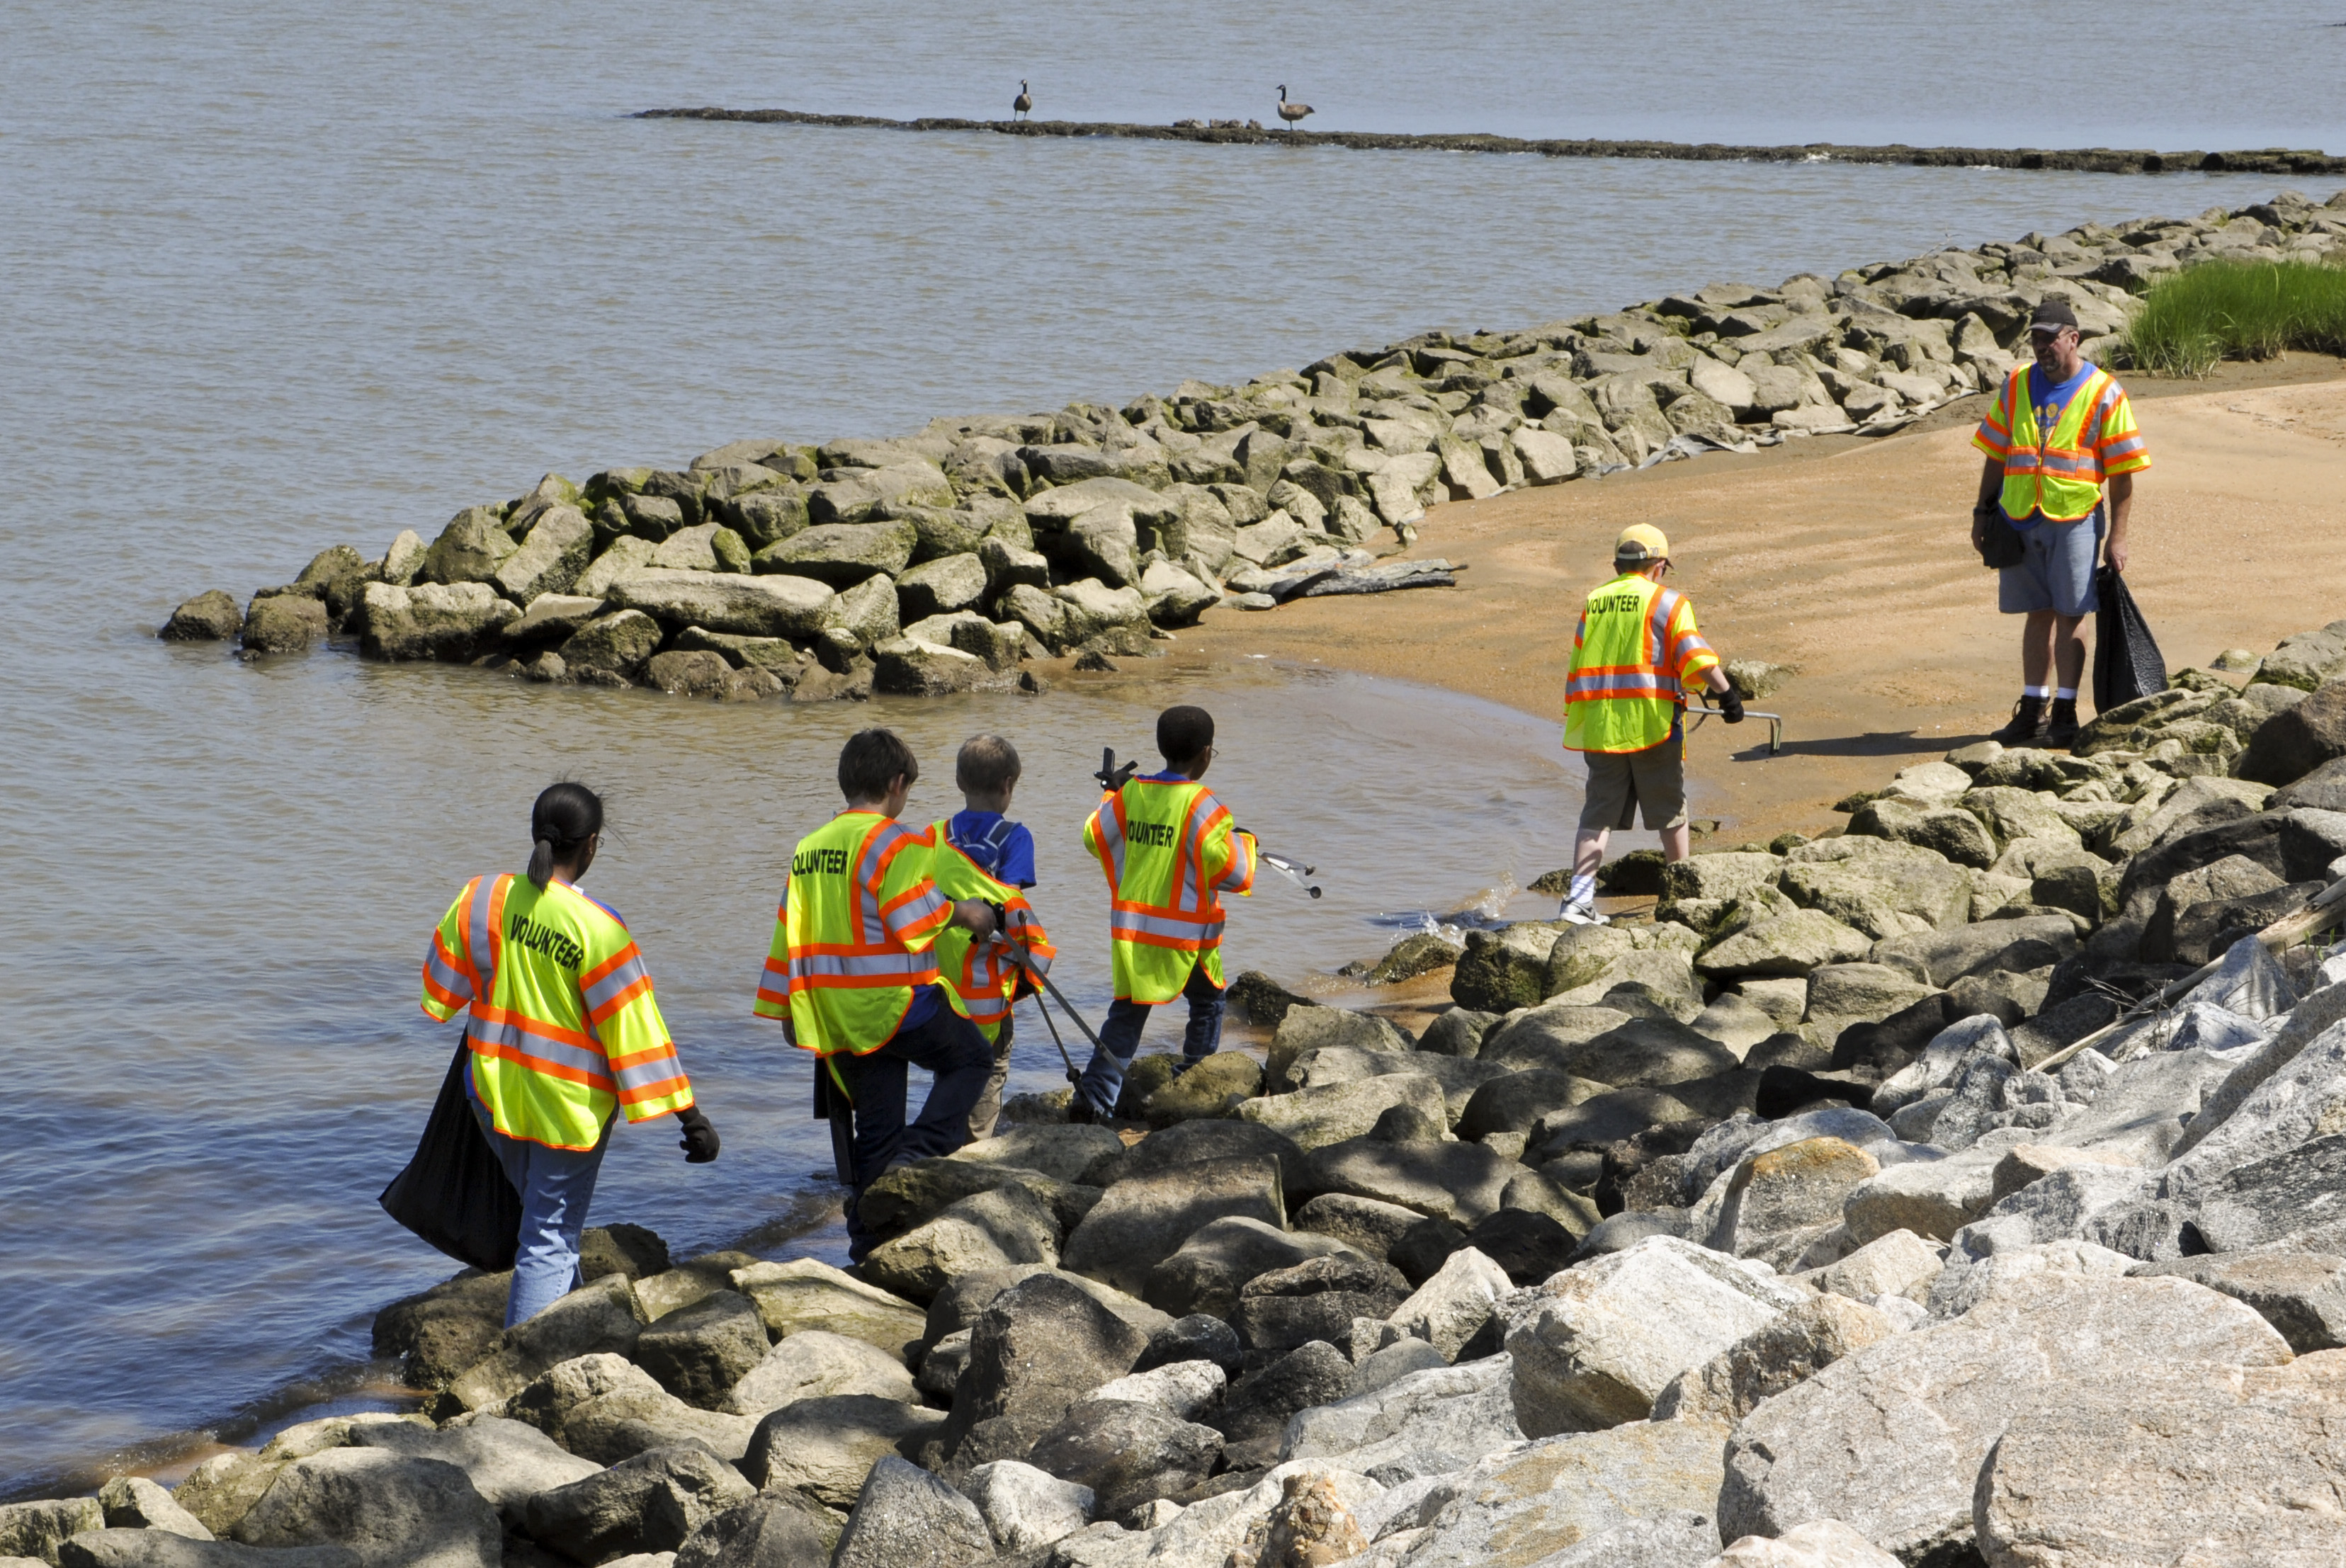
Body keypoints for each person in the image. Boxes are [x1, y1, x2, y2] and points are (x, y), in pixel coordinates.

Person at [421, 783, 718, 1328]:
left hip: (491, 1096)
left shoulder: (481, 897)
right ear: (592, 846)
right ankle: (525, 1370)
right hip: (565, 1110)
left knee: (545, 1225)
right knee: (549, 1237)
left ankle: (574, 1336)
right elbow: (637, 1033)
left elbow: (440, 990)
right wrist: (690, 1116)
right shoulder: (600, 930)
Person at [754, 728, 998, 1261]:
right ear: (896, 783)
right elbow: (915, 919)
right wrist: (968, 912)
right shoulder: (896, 841)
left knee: (875, 1131)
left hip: (834, 1014)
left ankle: (866, 1244)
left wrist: (783, 1008)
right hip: (893, 1003)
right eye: (906, 789)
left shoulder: (809, 848)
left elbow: (786, 931)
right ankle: (917, 1155)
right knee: (972, 1059)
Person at [1971, 297, 2150, 749]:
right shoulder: (2016, 385)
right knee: (2038, 615)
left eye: (2050, 338)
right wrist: (1981, 511)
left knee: (2072, 615)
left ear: (2074, 339)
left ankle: (2066, 715)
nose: (2042, 346)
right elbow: (1996, 453)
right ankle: (2033, 710)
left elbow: (2123, 474)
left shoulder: (2105, 392)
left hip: (2075, 519)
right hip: (2019, 516)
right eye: (2035, 338)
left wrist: (2118, 538)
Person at [1071, 705, 1257, 1122]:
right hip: (1185, 939)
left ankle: (1095, 1099)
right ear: (1206, 753)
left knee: (1126, 1015)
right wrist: (1246, 840)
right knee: (1208, 1003)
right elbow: (1232, 869)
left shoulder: (1133, 792)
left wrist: (1112, 792)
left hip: (1134, 934)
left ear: (1161, 747)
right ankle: (1193, 1082)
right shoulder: (1203, 804)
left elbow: (1094, 835)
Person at [1557, 525, 1740, 927]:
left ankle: (1578, 900)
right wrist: (1727, 696)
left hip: (1600, 725)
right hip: (1652, 723)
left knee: (1597, 814)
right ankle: (1682, 892)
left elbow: (1578, 661)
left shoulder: (1595, 601)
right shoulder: (1668, 601)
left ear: (1618, 565)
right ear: (1658, 565)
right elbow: (1694, 655)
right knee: (1670, 809)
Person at [937, 735, 1046, 1140]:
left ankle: (944, 1135)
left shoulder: (933, 836)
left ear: (959, 781)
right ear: (1008, 785)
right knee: (990, 1065)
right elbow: (1010, 905)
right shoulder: (1015, 837)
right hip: (987, 985)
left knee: (950, 1065)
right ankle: (975, 1150)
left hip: (939, 984)